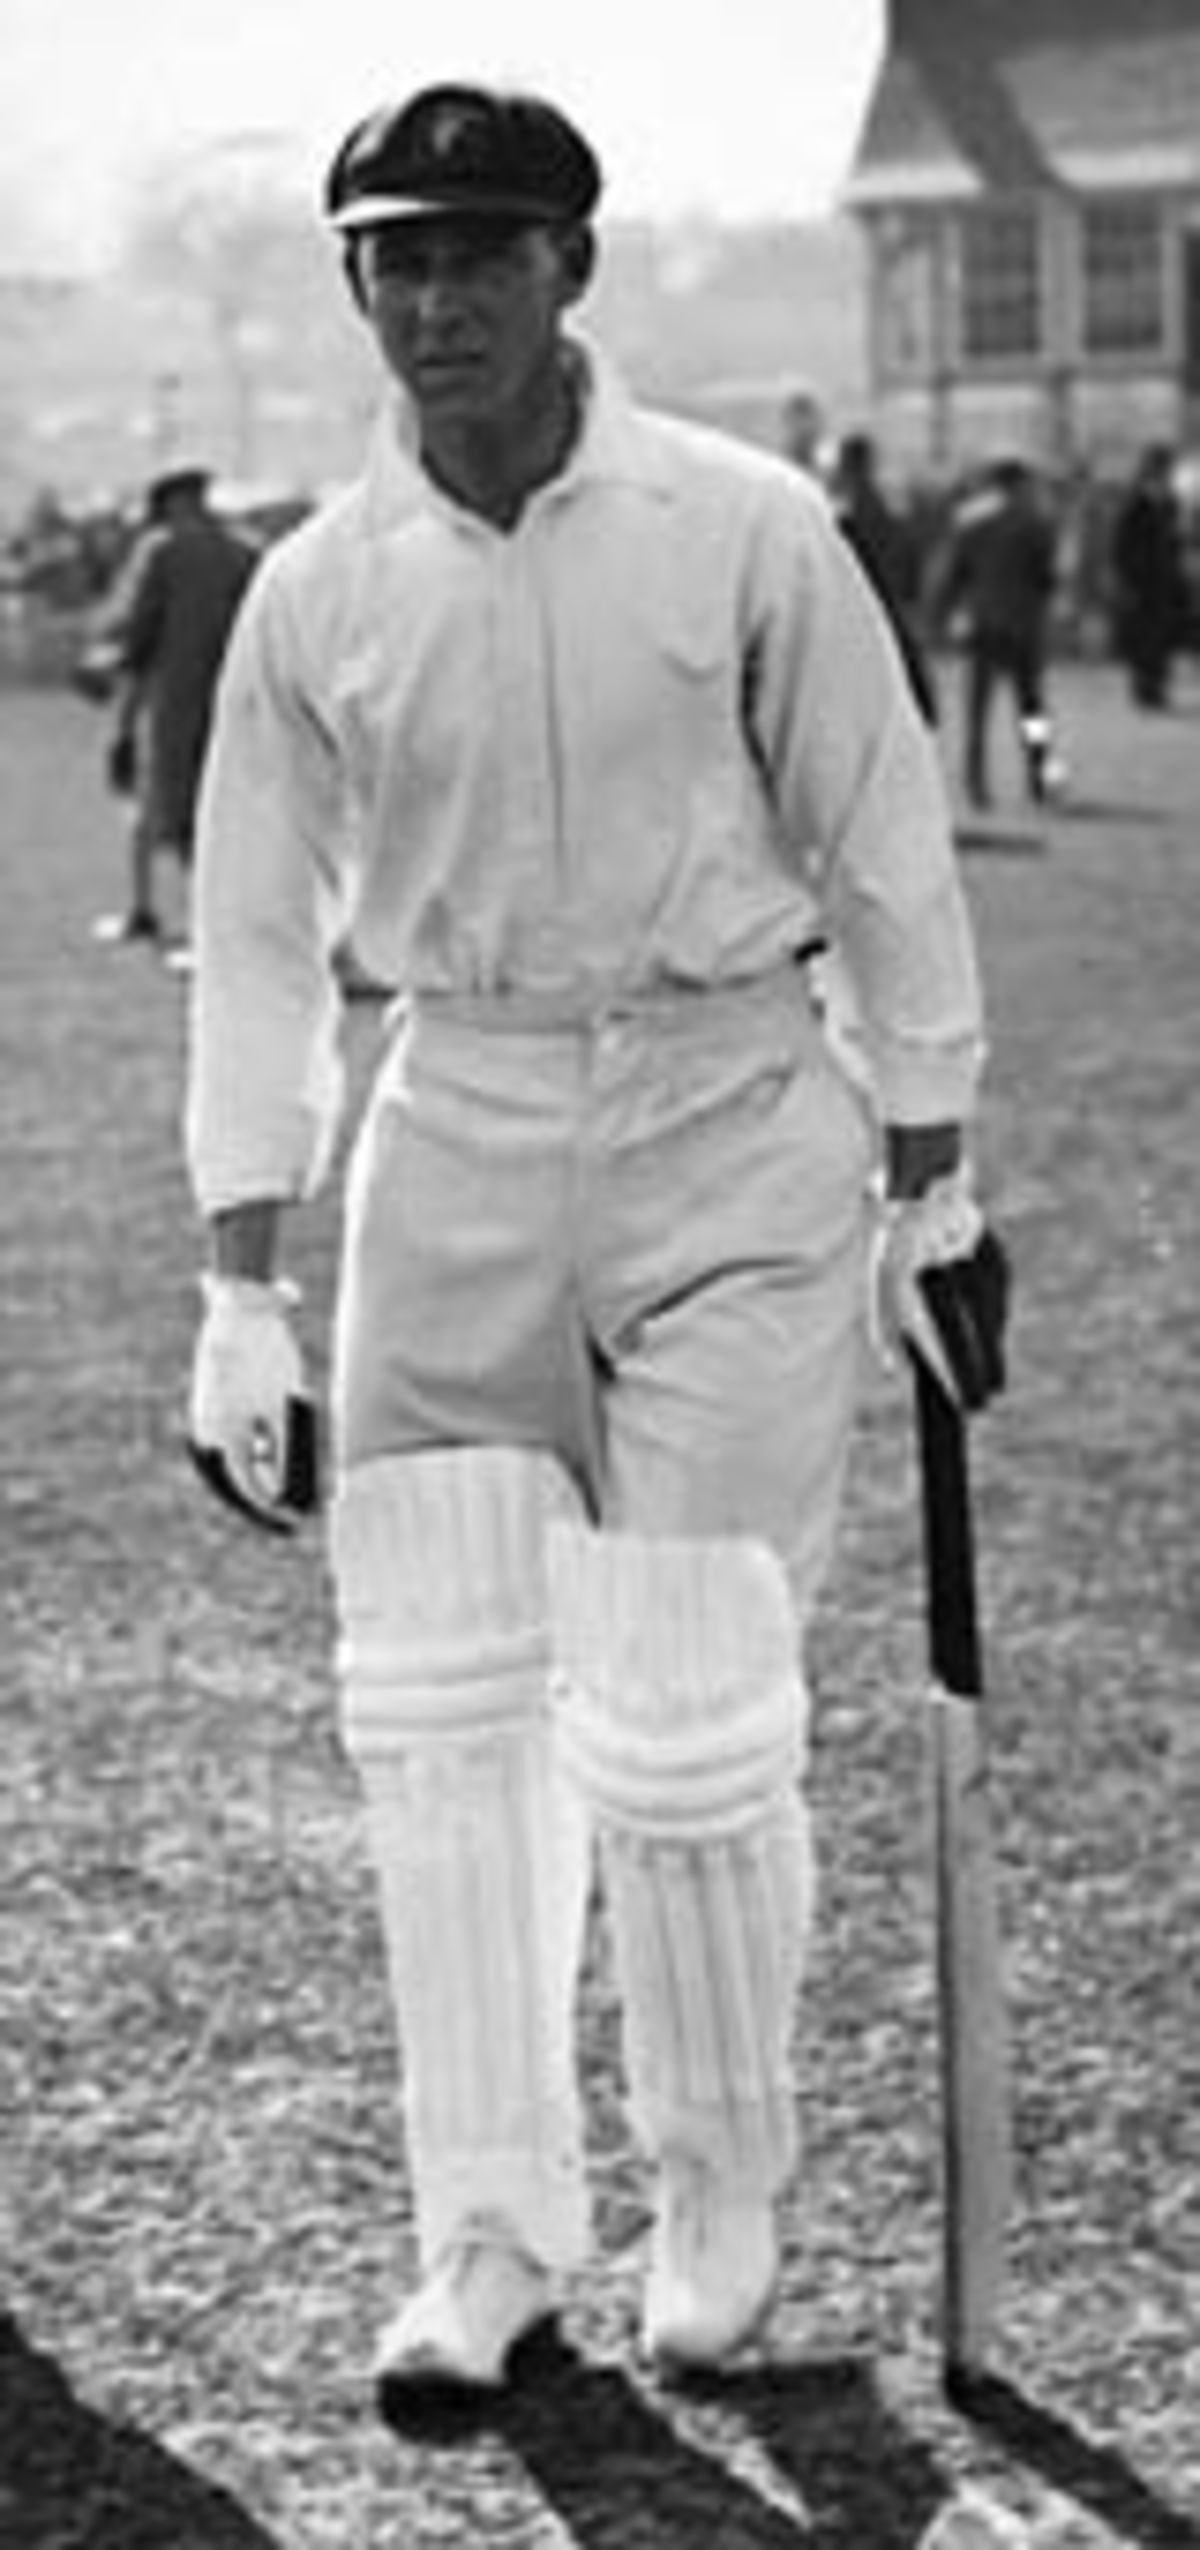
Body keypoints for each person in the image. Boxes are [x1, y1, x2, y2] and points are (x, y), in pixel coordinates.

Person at [184, 81, 1008, 2406]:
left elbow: (880, 841)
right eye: (397, 257)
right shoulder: (316, 590)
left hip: (729, 1115)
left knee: (684, 1708)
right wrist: (239, 1281)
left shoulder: (743, 528)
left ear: (575, 268)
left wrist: (931, 1174)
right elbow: (255, 942)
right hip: (455, 1122)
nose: (436, 300)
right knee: (442, 1720)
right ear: (356, 284)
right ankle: (487, 2237)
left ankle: (718, 2203)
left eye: (483, 251)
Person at [92, 466, 257, 956]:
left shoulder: (161, 551)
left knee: (164, 810)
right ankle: (203, 922)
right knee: (220, 815)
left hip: (172, 703)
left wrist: (115, 692)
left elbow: (136, 634)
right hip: (237, 704)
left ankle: (164, 915)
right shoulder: (245, 552)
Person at [936, 456, 1063, 810]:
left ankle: (976, 782)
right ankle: (1038, 777)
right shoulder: (1035, 522)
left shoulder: (969, 520)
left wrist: (945, 615)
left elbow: (955, 576)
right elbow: (1046, 578)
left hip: (982, 624)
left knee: (978, 711)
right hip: (1022, 624)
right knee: (1032, 710)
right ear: (1020, 484)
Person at [833, 431, 939, 727]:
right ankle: (1038, 753)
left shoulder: (844, 507)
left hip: (862, 609)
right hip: (889, 603)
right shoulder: (886, 504)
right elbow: (911, 554)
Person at [1109, 443, 1190, 710]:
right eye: (1161, 467)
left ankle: (1157, 687)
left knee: (1162, 636)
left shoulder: (1170, 501)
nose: (1165, 473)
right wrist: (1127, 579)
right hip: (1141, 582)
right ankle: (1143, 689)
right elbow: (1121, 546)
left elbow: (1174, 540)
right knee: (1143, 637)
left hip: (1165, 581)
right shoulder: (1134, 502)